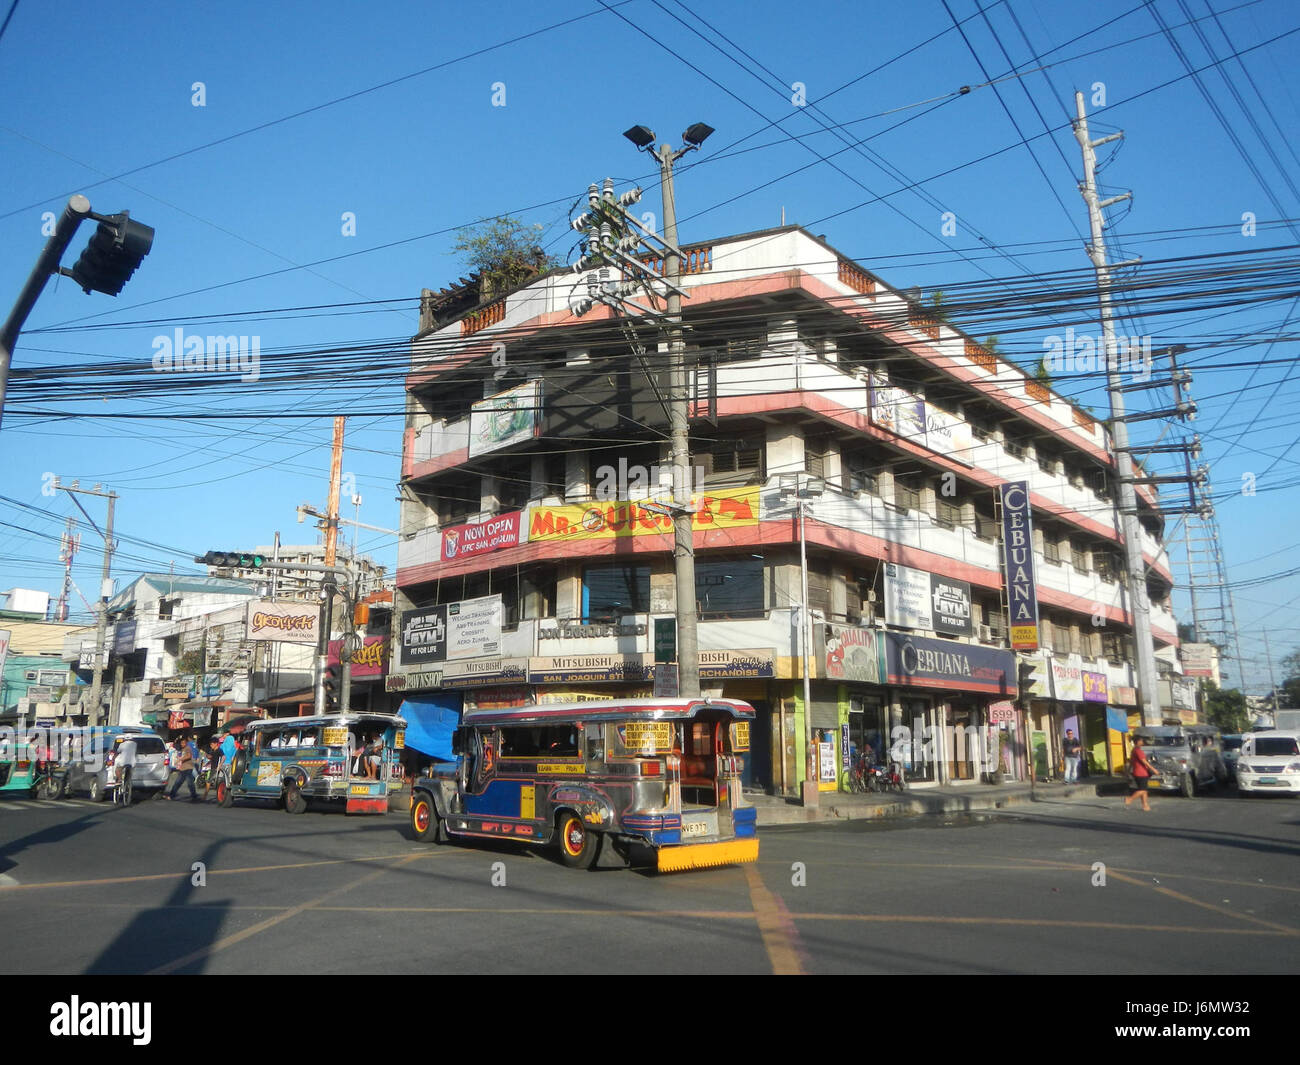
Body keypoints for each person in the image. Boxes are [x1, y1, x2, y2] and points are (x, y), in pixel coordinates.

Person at [1124, 738, 1157, 811]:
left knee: (1143, 789)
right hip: (1141, 773)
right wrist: (1153, 769)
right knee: (1143, 790)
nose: (1143, 742)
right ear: (1138, 741)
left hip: (1136, 772)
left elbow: (1131, 762)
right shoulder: (1138, 751)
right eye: (1141, 740)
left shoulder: (1133, 750)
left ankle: (1145, 805)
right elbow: (1144, 761)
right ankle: (1129, 799)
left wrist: (1128, 771)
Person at [166, 736, 199, 802]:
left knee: (186, 783)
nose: (182, 744)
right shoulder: (182, 749)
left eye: (184, 743)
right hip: (183, 768)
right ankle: (193, 796)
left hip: (188, 768)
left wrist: (180, 759)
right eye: (181, 743)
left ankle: (194, 796)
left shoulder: (187, 748)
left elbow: (189, 756)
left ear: (186, 743)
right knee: (181, 783)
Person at [114, 736, 138, 804]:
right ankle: (128, 782)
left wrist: (114, 757)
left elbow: (118, 751)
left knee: (118, 770)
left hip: (123, 762)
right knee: (129, 773)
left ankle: (119, 780)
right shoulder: (135, 744)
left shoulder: (122, 744)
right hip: (132, 762)